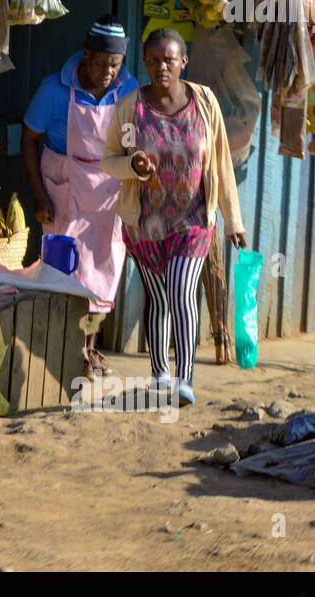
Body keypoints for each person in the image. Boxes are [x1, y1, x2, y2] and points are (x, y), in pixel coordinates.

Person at [102, 28, 246, 406]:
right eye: (153, 60)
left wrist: (234, 221)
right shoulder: (130, 109)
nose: (161, 66)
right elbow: (109, 161)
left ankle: (184, 379)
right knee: (159, 296)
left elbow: (221, 162)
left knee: (182, 292)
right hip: (145, 223)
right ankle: (160, 374)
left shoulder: (204, 102)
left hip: (194, 219)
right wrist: (132, 164)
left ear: (183, 61)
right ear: (146, 64)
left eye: (169, 59)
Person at [22, 14, 138, 378]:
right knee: (66, 267)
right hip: (65, 186)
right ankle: (68, 350)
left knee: (105, 266)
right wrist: (40, 194)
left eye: (115, 65)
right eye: (101, 63)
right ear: (86, 55)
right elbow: (29, 139)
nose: (108, 72)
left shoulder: (129, 88)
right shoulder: (55, 90)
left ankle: (90, 346)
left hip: (108, 189)